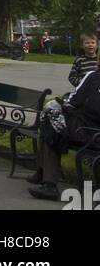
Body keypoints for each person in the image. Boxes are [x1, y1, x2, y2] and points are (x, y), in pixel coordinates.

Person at [29, 47, 100, 200]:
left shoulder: (93, 76)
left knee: (52, 125)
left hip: (86, 131)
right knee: (53, 123)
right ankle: (44, 175)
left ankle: (48, 182)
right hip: (91, 132)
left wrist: (65, 106)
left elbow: (74, 101)